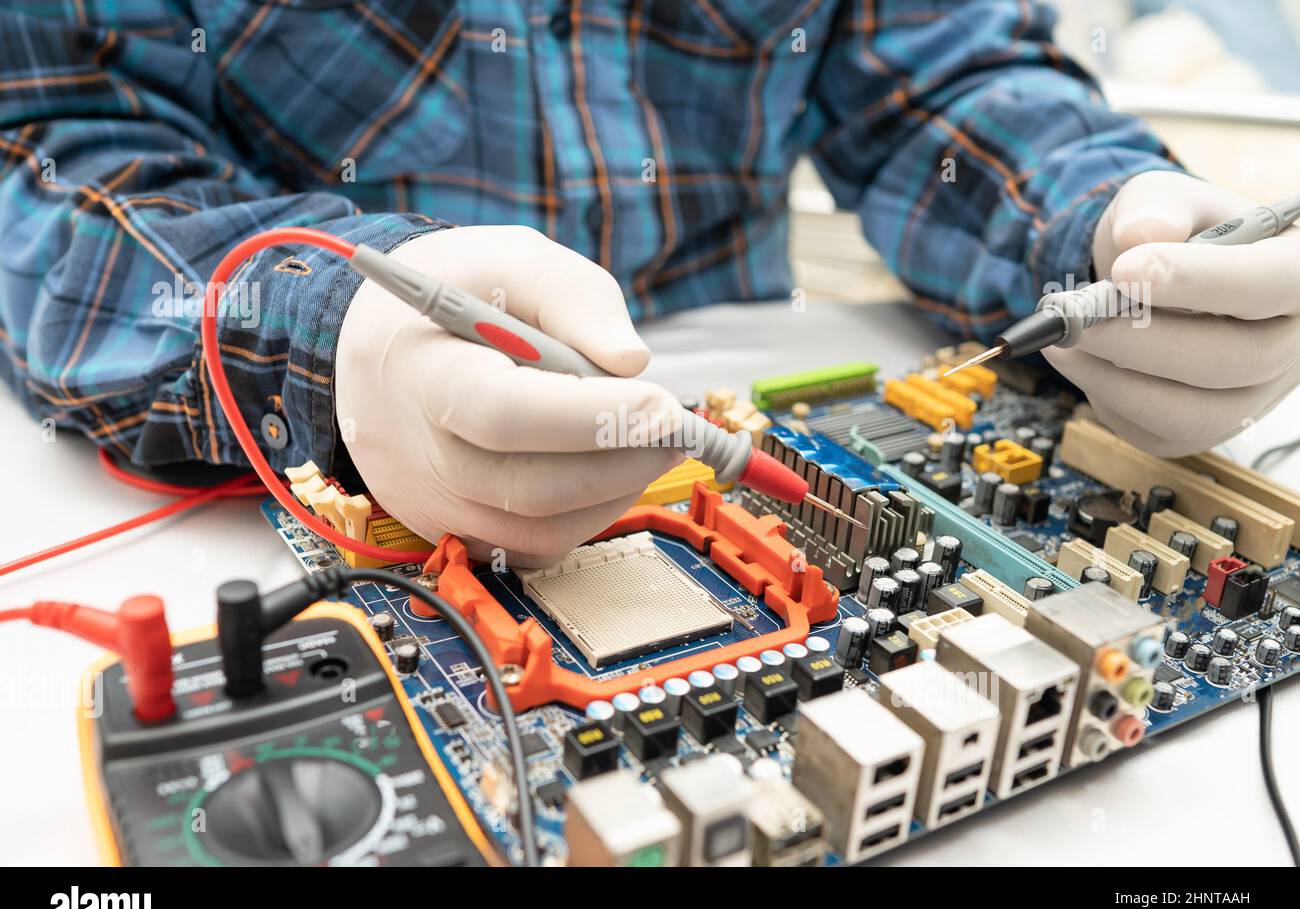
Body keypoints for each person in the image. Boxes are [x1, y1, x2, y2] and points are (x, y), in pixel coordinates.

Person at [2, 2, 1297, 566]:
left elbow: (933, 73)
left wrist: (1092, 210)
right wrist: (328, 328)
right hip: (306, 499)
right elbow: (48, 144)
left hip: (757, 407)